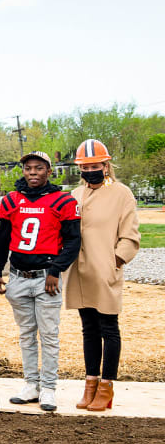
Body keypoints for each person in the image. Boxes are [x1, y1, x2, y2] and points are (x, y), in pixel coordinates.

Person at [0, 151, 81, 411]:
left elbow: (74, 241)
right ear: (23, 171)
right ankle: (31, 384)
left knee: (49, 335)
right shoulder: (11, 201)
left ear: (48, 172)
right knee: (27, 335)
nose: (32, 172)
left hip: (46, 278)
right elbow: (3, 239)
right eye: (28, 168)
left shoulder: (62, 201)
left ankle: (49, 388)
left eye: (38, 168)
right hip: (18, 277)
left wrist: (56, 270)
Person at [64, 139, 139, 412]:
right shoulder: (75, 194)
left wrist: (115, 261)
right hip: (80, 272)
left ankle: (107, 386)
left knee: (109, 328)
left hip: (105, 269)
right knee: (88, 329)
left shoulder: (122, 193)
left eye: (95, 165)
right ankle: (91, 382)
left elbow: (130, 235)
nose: (90, 170)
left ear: (106, 166)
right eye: (85, 167)